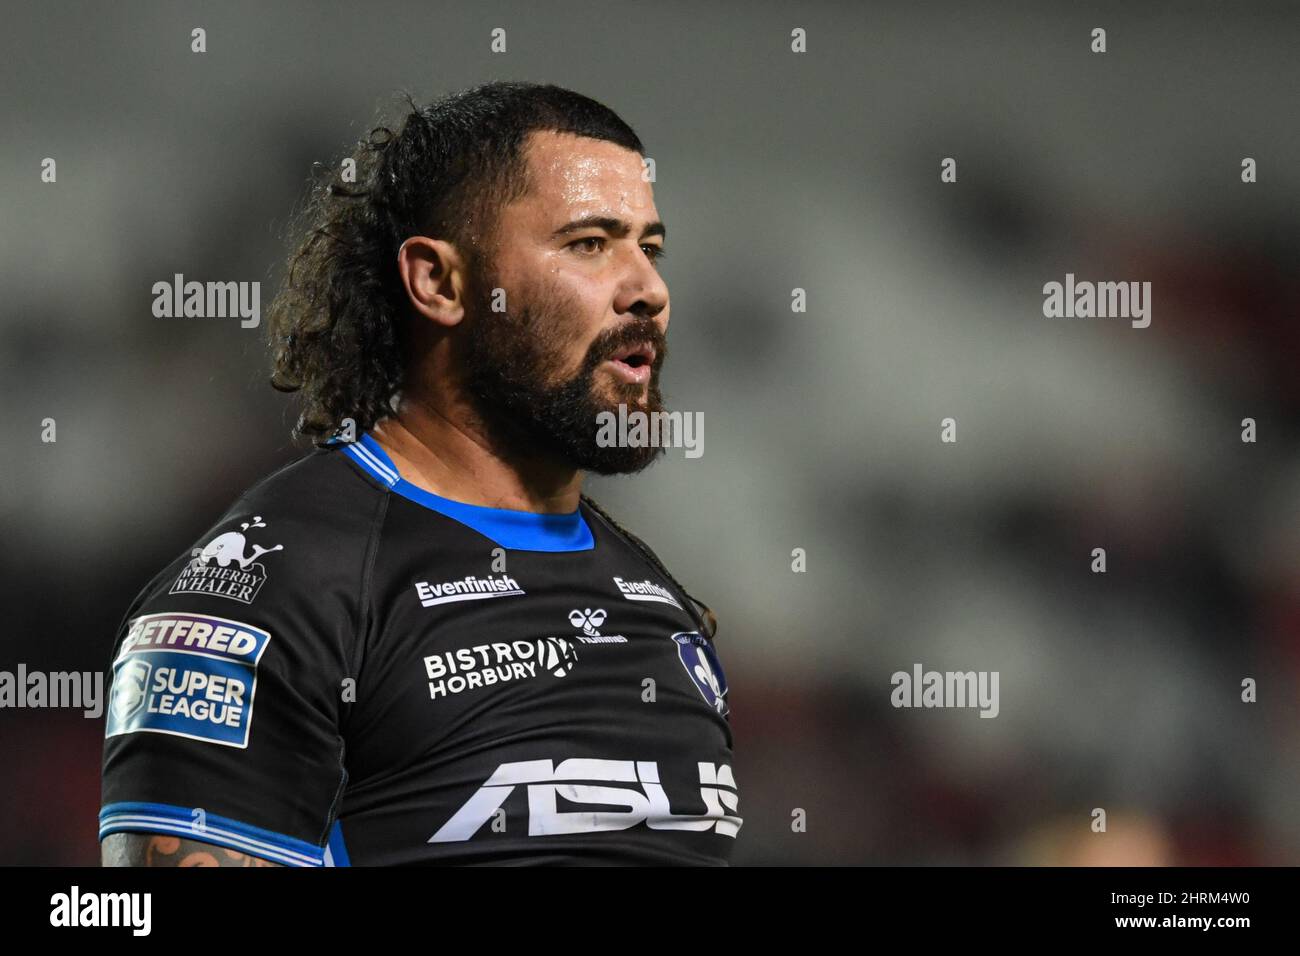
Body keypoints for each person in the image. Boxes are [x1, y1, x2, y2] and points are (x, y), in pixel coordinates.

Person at [99, 81, 739, 866]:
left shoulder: (662, 605)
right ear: (438, 282)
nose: (649, 290)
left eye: (651, 248)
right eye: (589, 244)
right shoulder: (273, 591)